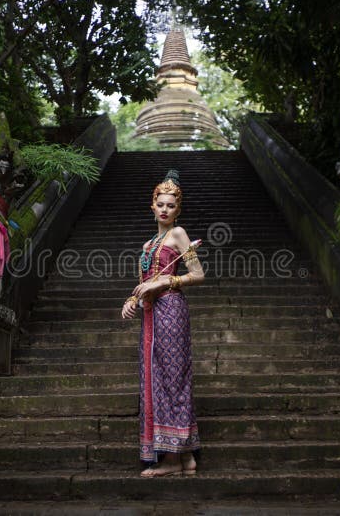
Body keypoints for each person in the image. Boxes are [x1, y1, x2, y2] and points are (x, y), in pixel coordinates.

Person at [121, 169, 205, 478]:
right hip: (150, 313)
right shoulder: (149, 244)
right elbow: (143, 284)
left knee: (172, 378)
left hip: (171, 308)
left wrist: (169, 279)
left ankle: (173, 460)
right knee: (157, 378)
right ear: (153, 206)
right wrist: (132, 300)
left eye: (171, 205)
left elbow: (198, 274)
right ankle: (185, 460)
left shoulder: (178, 234)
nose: (165, 209)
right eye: (161, 204)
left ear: (177, 210)